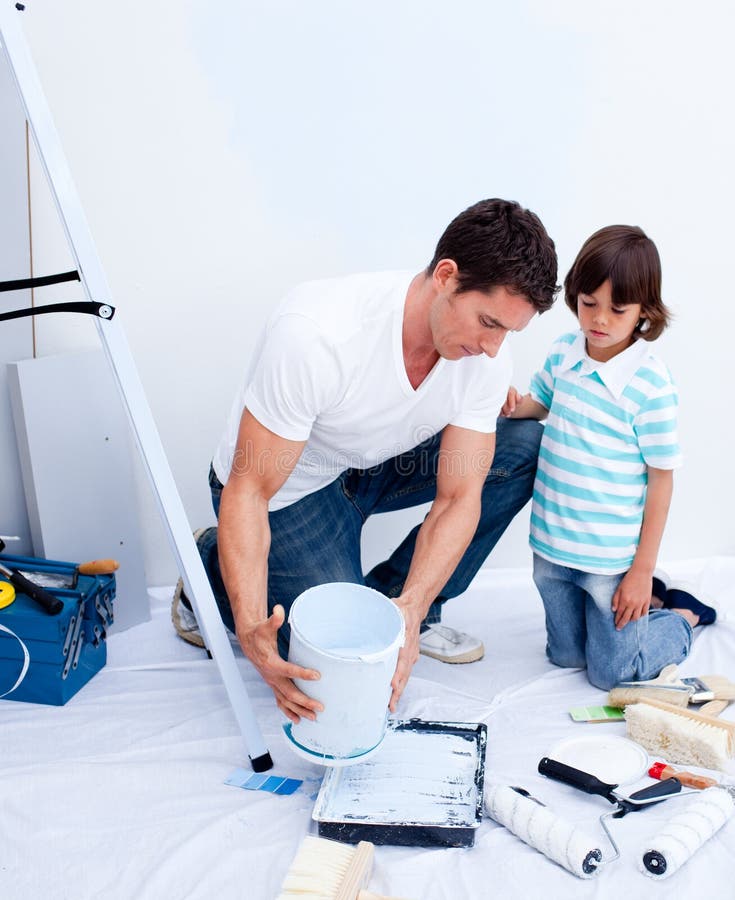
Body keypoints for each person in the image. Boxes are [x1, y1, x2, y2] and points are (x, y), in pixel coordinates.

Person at [172, 198, 559, 722]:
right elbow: (250, 491)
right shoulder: (317, 335)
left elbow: (459, 498)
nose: (493, 348)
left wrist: (413, 607)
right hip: (288, 489)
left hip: (377, 458)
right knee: (327, 670)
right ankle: (211, 566)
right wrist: (248, 624)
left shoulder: (485, 356)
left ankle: (396, 608)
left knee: (521, 448)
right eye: (488, 322)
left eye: (508, 331)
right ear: (446, 276)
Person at [502, 225, 716, 691]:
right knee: (564, 658)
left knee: (611, 675)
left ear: (644, 312)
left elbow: (662, 481)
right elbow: (541, 402)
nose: (599, 319)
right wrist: (511, 405)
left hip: (609, 559)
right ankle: (643, 607)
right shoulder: (564, 352)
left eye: (618, 310)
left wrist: (640, 571)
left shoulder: (650, 385)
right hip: (551, 546)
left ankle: (679, 615)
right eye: (588, 303)